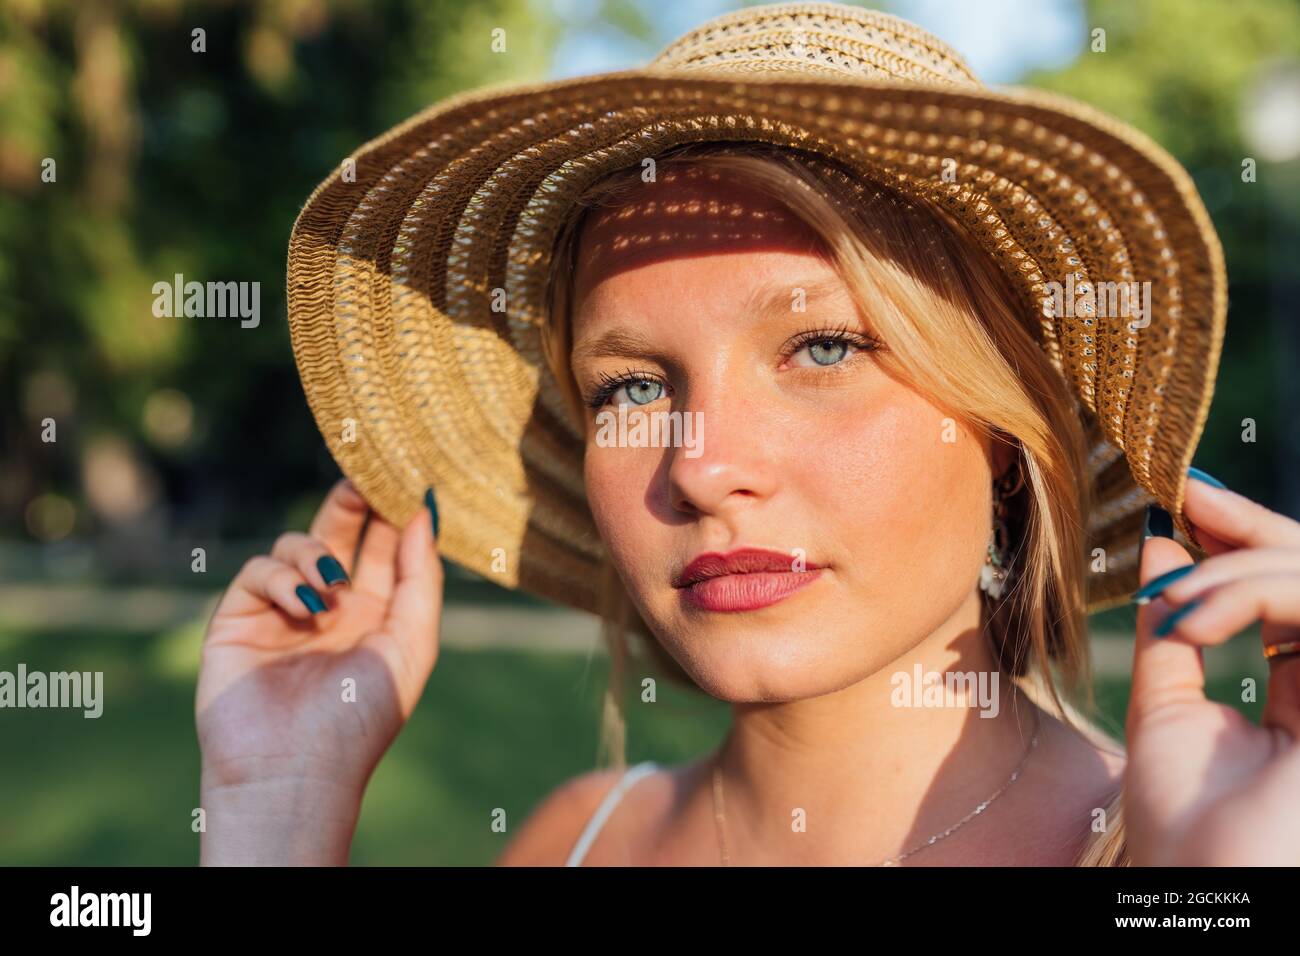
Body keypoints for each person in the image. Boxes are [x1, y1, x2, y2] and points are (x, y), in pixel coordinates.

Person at [197, 3, 1300, 866]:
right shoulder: (573, 838)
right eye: (631, 387)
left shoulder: (1181, 852)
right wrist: (277, 809)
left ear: (1006, 433)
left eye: (822, 348)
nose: (703, 465)